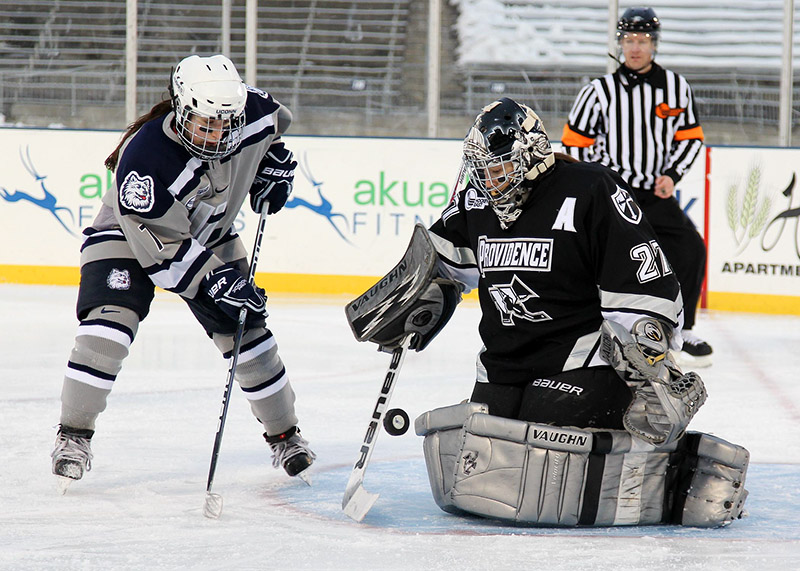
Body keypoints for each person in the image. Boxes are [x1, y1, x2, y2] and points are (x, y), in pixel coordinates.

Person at [346, 97, 748, 527]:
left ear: (533, 154)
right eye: (481, 169)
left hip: (579, 359)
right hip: (505, 364)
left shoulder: (590, 189)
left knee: (545, 440)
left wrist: (649, 365)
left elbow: (647, 281)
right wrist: (407, 306)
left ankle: (678, 473)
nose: (488, 180)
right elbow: (442, 266)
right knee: (487, 450)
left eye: (498, 168)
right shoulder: (476, 201)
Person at [50, 54, 315, 487]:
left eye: (224, 125)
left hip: (209, 232)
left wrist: (275, 166)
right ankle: (73, 436)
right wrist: (215, 279)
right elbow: (163, 255)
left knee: (248, 333)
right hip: (130, 236)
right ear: (180, 107)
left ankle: (285, 437)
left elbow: (273, 134)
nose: (215, 136)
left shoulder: (253, 111)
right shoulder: (146, 159)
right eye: (204, 124)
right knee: (109, 326)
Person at [562, 6, 712, 367]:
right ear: (620, 44)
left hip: (653, 193)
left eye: (642, 40)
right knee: (597, 259)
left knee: (690, 249)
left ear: (654, 44)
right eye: (629, 40)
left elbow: (691, 138)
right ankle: (590, 326)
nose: (635, 47)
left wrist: (672, 175)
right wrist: (593, 181)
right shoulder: (599, 91)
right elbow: (572, 143)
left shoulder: (675, 87)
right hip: (612, 193)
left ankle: (684, 327)